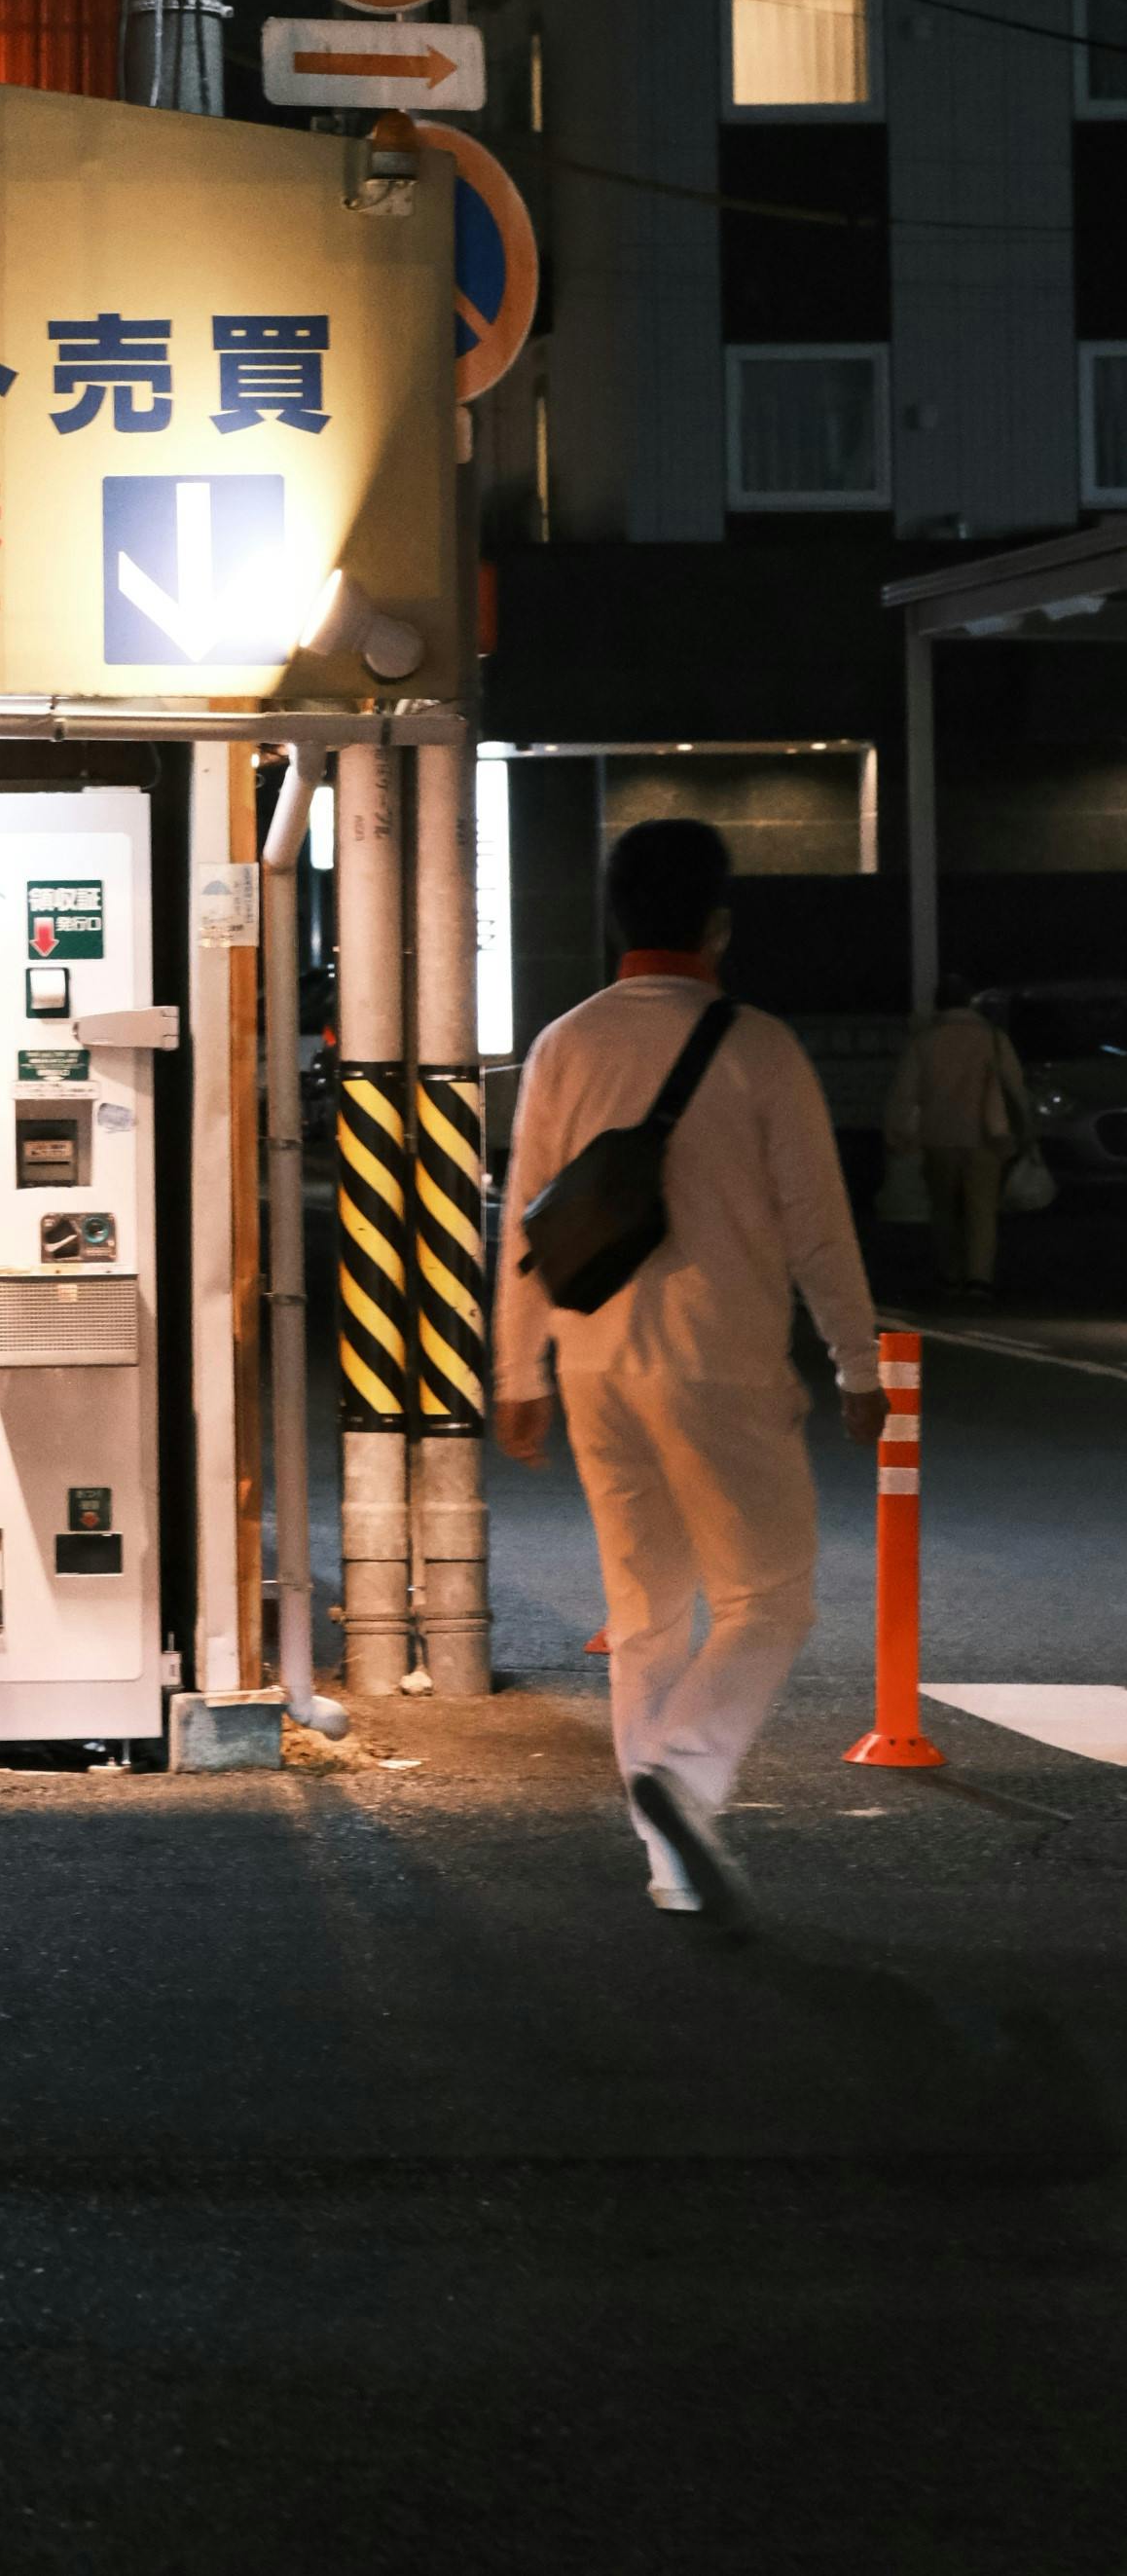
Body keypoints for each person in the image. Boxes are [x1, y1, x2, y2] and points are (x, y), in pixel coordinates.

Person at [494, 817, 887, 1927]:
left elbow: (526, 1218)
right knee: (771, 1598)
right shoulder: (758, 1045)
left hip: (594, 1361)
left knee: (647, 1611)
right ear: (718, 924)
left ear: (617, 920)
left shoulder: (565, 1042)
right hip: (719, 1361)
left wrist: (518, 1368)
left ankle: (670, 1853)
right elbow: (817, 1224)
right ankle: (686, 1772)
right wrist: (860, 1360)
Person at [885, 980, 1032, 1300]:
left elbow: (905, 1094)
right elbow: (1015, 1088)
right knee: (982, 1210)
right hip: (987, 1137)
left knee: (944, 1209)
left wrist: (898, 1134)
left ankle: (949, 1275)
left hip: (939, 1135)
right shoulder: (993, 1039)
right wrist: (1026, 1131)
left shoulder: (924, 1042)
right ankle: (980, 1277)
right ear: (969, 1003)